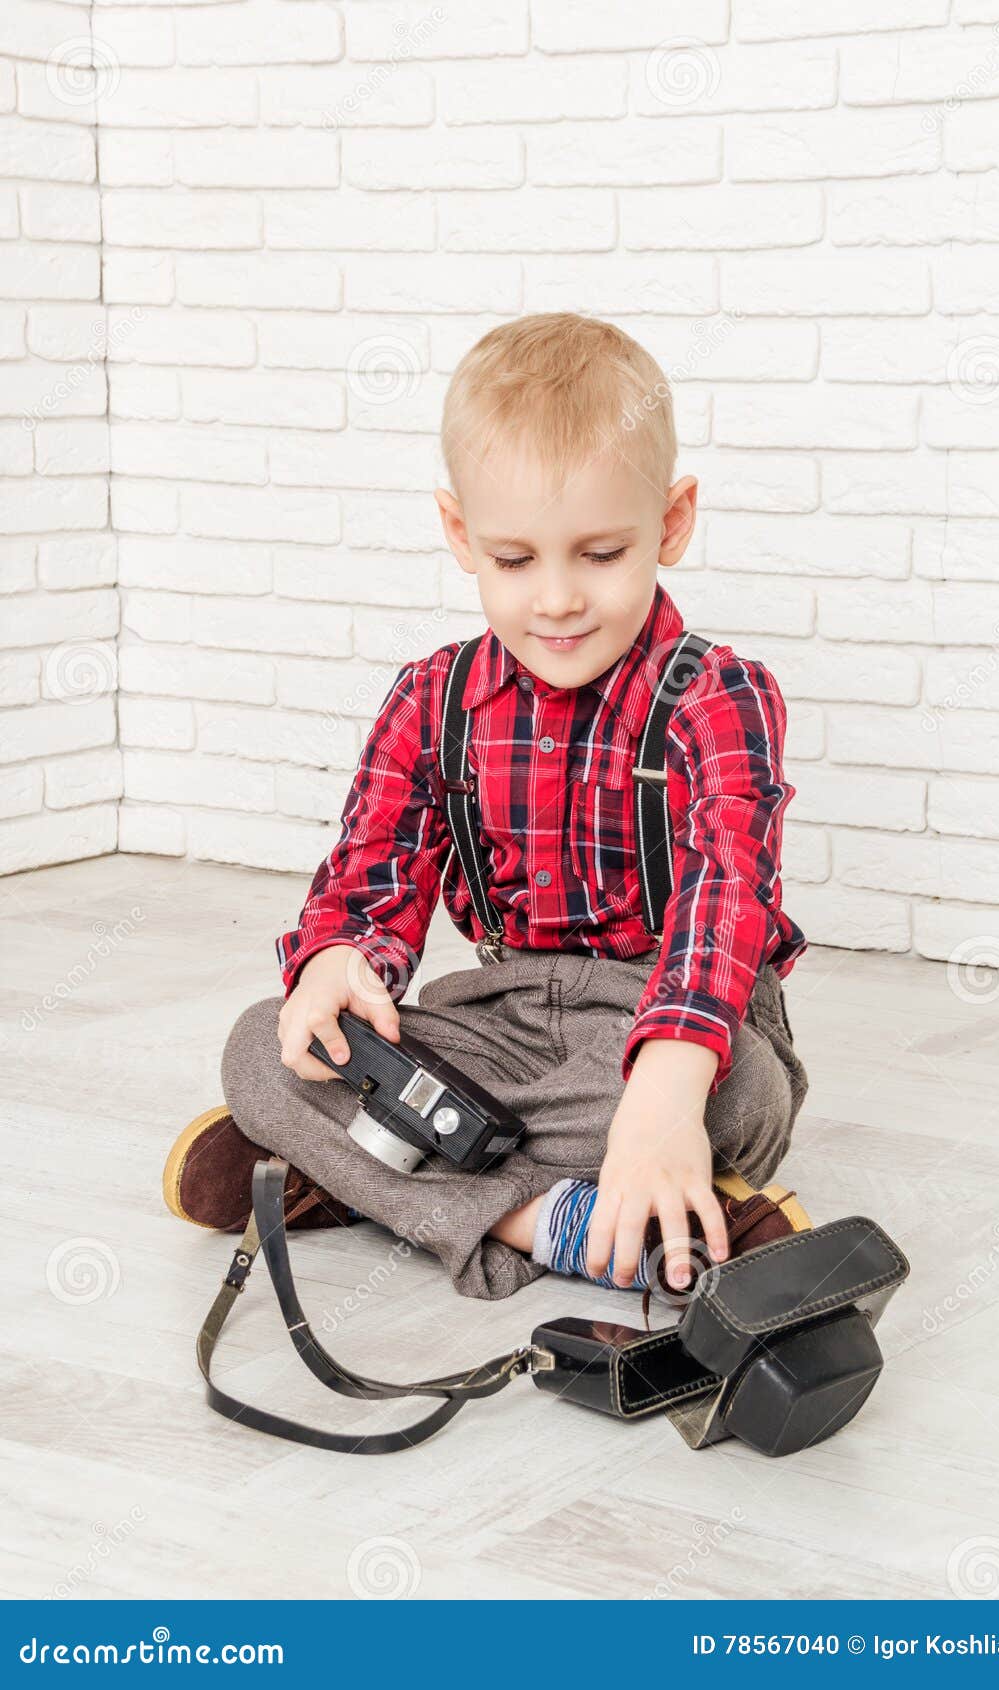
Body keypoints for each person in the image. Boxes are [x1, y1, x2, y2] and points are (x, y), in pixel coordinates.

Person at [163, 311, 810, 1303]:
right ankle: (556, 1217)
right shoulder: (429, 698)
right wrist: (342, 960)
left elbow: (728, 900)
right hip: (498, 1022)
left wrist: (664, 1088)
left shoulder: (718, 698)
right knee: (263, 1045)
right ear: (462, 535)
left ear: (669, 523)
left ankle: (368, 1174)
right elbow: (366, 881)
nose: (554, 599)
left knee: (741, 1099)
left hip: (666, 1024)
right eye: (514, 560)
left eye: (598, 553)